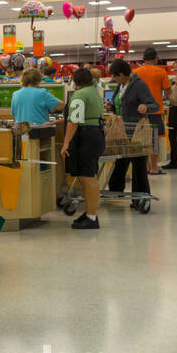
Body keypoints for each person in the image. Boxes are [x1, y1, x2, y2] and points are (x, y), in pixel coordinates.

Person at [106, 59, 161, 206]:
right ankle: (115, 192)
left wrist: (146, 107)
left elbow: (154, 105)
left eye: (115, 76)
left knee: (139, 166)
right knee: (120, 162)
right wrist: (111, 107)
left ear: (123, 74)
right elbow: (119, 104)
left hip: (136, 131)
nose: (114, 79)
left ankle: (141, 198)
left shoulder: (139, 85)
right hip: (121, 132)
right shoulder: (120, 86)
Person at [60, 66, 105, 230]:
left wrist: (66, 143)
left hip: (86, 136)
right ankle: (90, 213)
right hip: (95, 134)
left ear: (76, 81)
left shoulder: (80, 95)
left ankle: (92, 217)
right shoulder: (94, 91)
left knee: (88, 178)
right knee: (89, 176)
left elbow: (74, 120)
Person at [133, 47, 170, 174]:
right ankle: (154, 167)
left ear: (143, 58)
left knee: (142, 140)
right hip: (155, 112)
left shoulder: (135, 72)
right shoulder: (161, 72)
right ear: (156, 58)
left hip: (139, 112)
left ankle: (146, 167)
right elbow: (168, 93)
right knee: (154, 140)